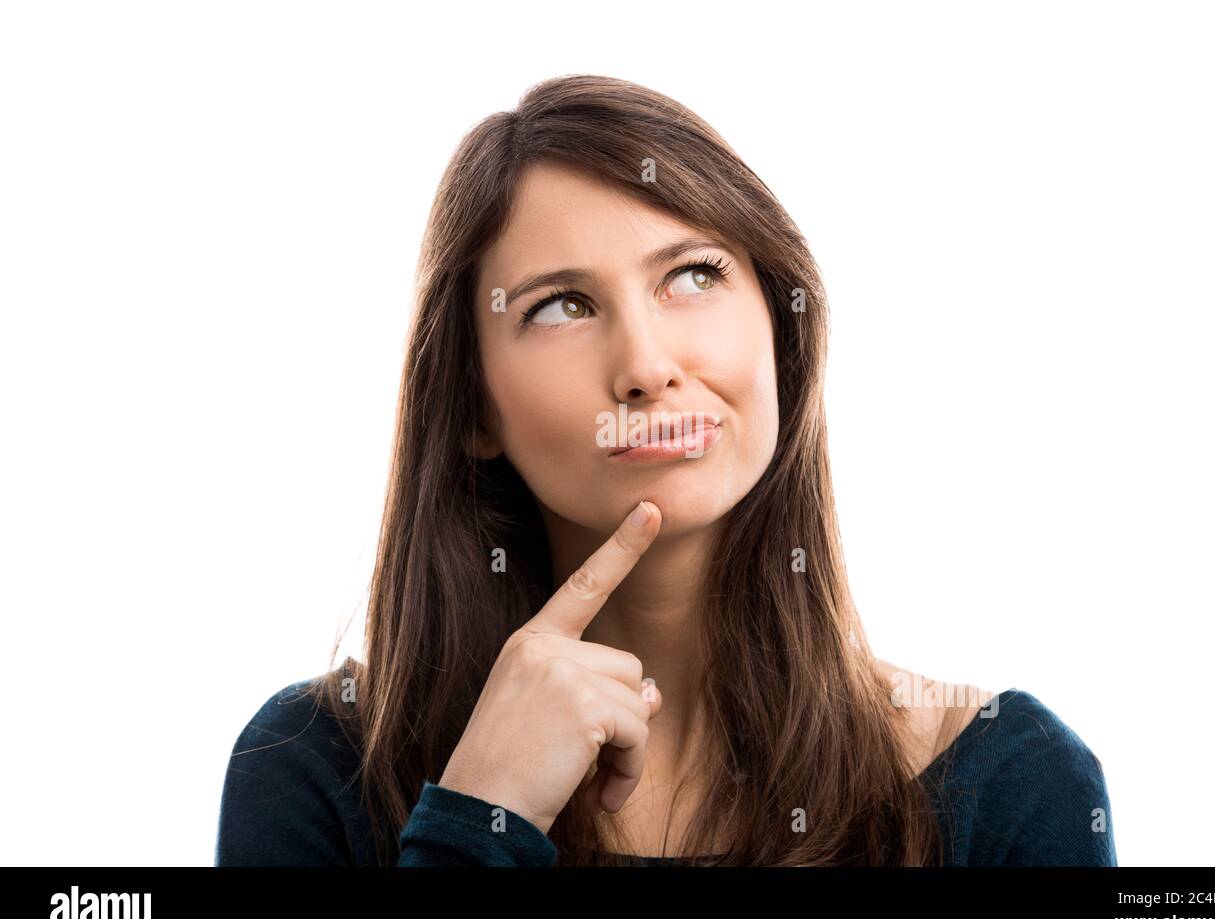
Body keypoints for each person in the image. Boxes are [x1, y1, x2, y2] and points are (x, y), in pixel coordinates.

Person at [216, 74, 1116, 867]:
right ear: (474, 409)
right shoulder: (313, 767)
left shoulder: (1011, 782)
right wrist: (477, 820)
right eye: (562, 305)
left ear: (782, 329)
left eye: (691, 276)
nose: (646, 365)